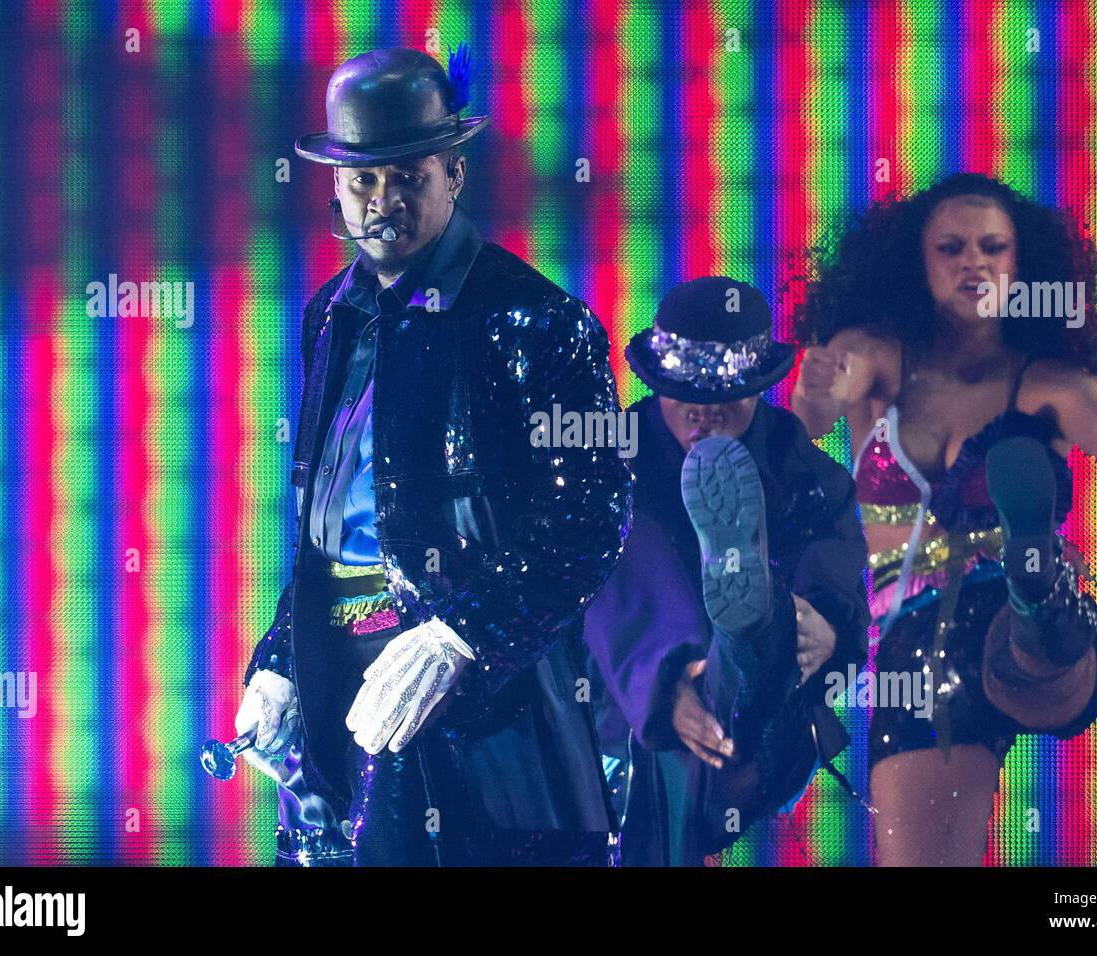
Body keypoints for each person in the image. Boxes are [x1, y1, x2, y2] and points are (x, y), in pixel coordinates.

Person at [232, 44, 632, 866]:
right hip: (336, 694)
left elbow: (589, 519)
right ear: (335, 188)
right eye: (363, 181)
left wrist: (461, 636)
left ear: (454, 172)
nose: (383, 202)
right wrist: (277, 661)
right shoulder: (329, 316)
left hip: (488, 722)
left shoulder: (537, 320)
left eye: (408, 176)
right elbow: (330, 526)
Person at [791, 172, 1097, 865]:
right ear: (915, 264)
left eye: (992, 248)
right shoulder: (879, 355)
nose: (973, 263)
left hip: (979, 611)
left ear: (1021, 263)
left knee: (998, 629)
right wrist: (821, 385)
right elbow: (820, 408)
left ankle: (1038, 602)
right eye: (951, 248)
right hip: (905, 620)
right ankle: (1039, 609)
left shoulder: (1049, 383)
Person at [582, 276, 871, 866]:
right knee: (624, 539)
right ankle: (723, 650)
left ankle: (749, 631)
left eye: (726, 400)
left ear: (759, 392)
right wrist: (662, 691)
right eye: (688, 397)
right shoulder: (608, 466)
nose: (706, 416)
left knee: (769, 630)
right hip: (629, 721)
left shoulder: (811, 474)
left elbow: (839, 580)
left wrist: (832, 628)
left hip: (763, 728)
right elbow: (582, 609)